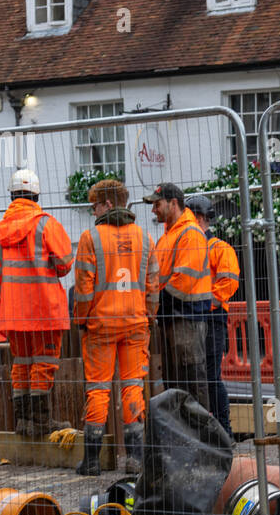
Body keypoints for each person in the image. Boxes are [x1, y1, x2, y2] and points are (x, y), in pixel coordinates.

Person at [72, 178, 160, 476]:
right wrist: (147, 316)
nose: (93, 211)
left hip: (101, 326)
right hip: (135, 325)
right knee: (133, 386)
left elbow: (83, 289)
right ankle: (135, 459)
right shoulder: (145, 239)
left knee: (98, 389)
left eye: (94, 205)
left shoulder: (90, 238)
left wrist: (82, 320)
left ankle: (93, 461)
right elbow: (153, 287)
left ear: (108, 204)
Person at [0, 168, 74, 438]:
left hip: (13, 311)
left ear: (12, 196)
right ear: (36, 195)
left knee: (21, 362)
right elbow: (65, 264)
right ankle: (41, 422)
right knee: (44, 362)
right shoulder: (46, 224)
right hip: (44, 308)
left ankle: (24, 422)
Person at [145, 183, 214, 412]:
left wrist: (155, 305)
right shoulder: (170, 236)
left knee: (192, 381)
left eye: (157, 204)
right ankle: (186, 439)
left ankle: (204, 442)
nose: (154, 210)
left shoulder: (190, 234)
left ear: (173, 203)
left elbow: (182, 282)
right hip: (173, 318)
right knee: (177, 383)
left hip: (186, 319)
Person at [185, 193, 240, 437]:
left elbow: (228, 282)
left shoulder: (219, 248)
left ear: (198, 218)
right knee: (198, 375)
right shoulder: (192, 247)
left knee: (210, 375)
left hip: (211, 318)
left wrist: (206, 305)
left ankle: (224, 431)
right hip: (195, 316)